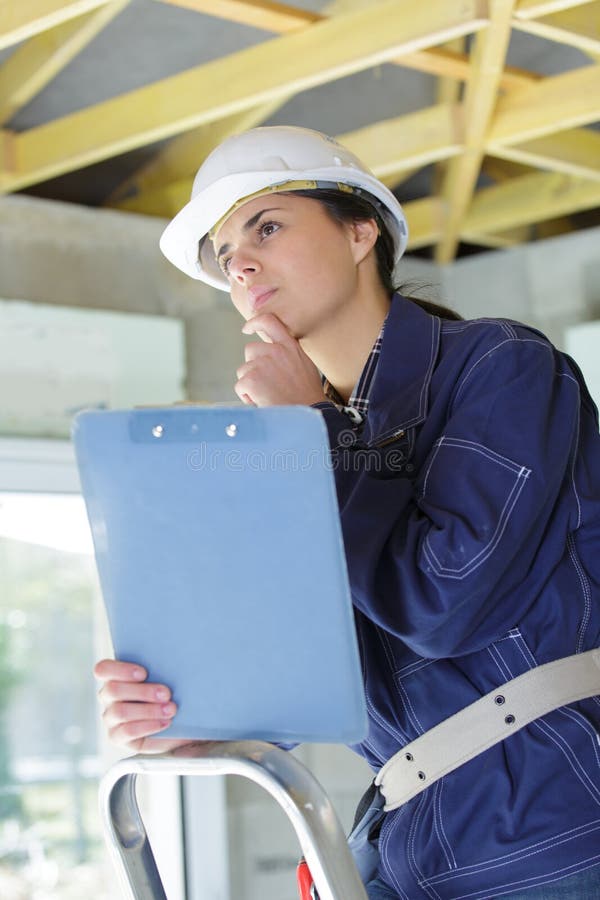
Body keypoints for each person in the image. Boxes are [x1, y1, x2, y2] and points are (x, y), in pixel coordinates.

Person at [95, 126, 600, 899]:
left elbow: (444, 603)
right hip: (411, 851)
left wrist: (315, 434)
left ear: (361, 229)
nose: (243, 264)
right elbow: (311, 666)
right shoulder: (296, 439)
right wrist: (202, 716)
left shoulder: (503, 369)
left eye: (266, 226)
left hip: (551, 832)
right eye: (228, 256)